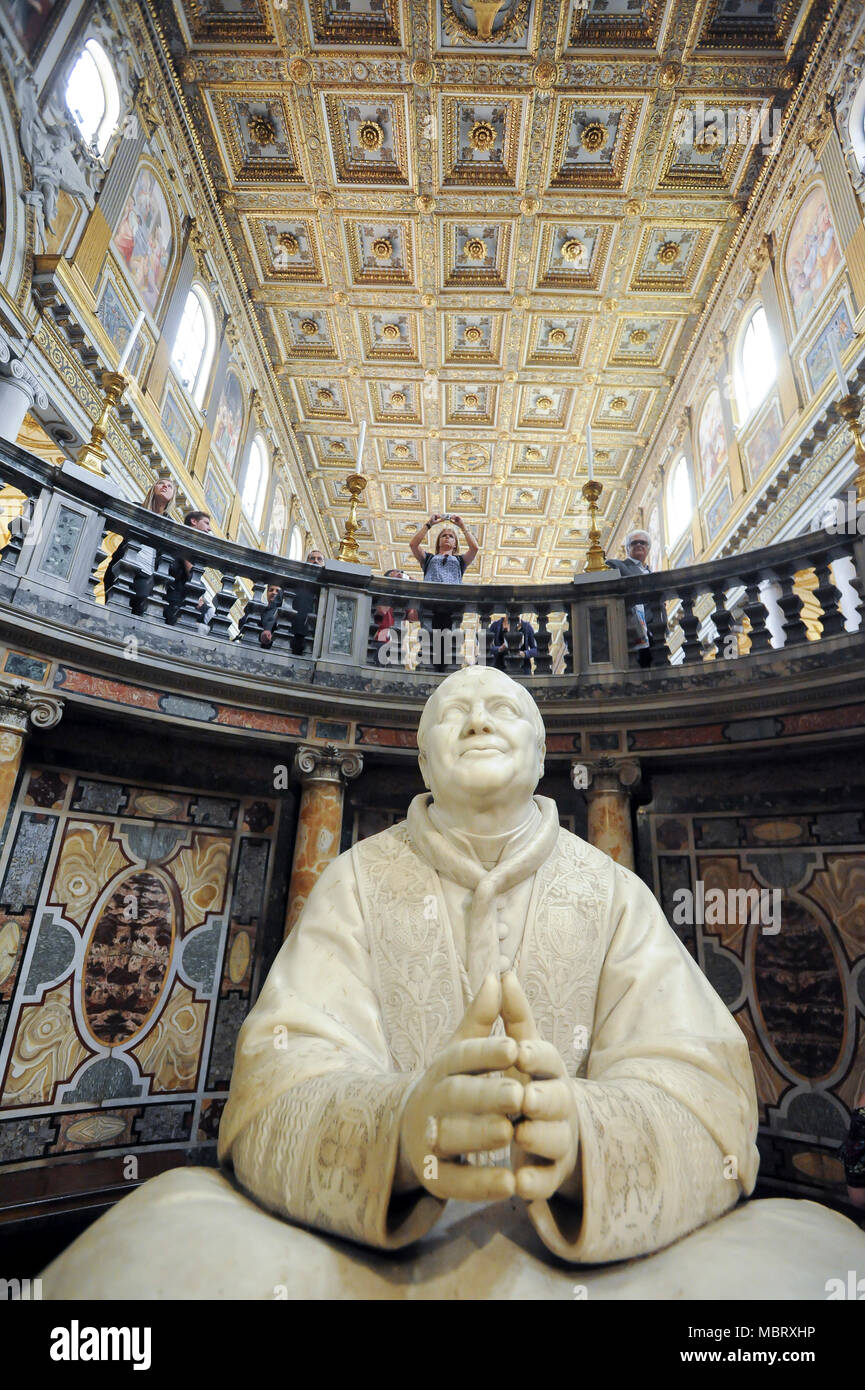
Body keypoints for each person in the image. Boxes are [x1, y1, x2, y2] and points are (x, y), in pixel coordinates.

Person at [40, 665, 865, 1298]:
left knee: (813, 1264)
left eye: (502, 708)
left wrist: (579, 1134)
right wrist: (402, 1129)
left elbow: (703, 1088)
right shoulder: (358, 881)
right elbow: (279, 1078)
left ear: (542, 755)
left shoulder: (609, 890)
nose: (475, 717)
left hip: (580, 1239)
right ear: (424, 759)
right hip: (378, 1233)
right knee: (151, 1249)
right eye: (451, 713)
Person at [104, 477, 176, 615]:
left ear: (172, 497)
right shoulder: (136, 508)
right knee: (111, 601)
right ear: (153, 488)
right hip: (124, 561)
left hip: (147, 570)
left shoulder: (170, 524)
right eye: (161, 483)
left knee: (138, 603)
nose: (165, 486)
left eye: (169, 486)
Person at [604, 529, 666, 668]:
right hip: (634, 630)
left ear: (648, 548)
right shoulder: (617, 565)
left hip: (655, 631)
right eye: (634, 543)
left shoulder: (652, 573)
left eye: (643, 543)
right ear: (627, 548)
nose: (639, 545)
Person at [164, 511, 215, 627]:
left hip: (180, 596)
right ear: (193, 521)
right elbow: (190, 575)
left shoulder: (196, 549)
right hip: (172, 597)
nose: (209, 528)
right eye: (206, 523)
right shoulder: (182, 539)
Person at [409, 514, 479, 585]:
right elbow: (413, 545)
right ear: (438, 542)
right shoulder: (428, 558)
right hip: (430, 592)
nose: (447, 537)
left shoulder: (460, 560)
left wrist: (462, 526)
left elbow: (474, 548)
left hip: (452, 593)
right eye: (444, 535)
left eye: (451, 536)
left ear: (455, 544)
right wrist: (429, 524)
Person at [291, 549, 325, 656]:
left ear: (323, 564)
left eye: (319, 559)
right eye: (312, 558)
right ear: (307, 562)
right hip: (294, 632)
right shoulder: (295, 582)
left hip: (318, 637)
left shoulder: (327, 586)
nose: (315, 561)